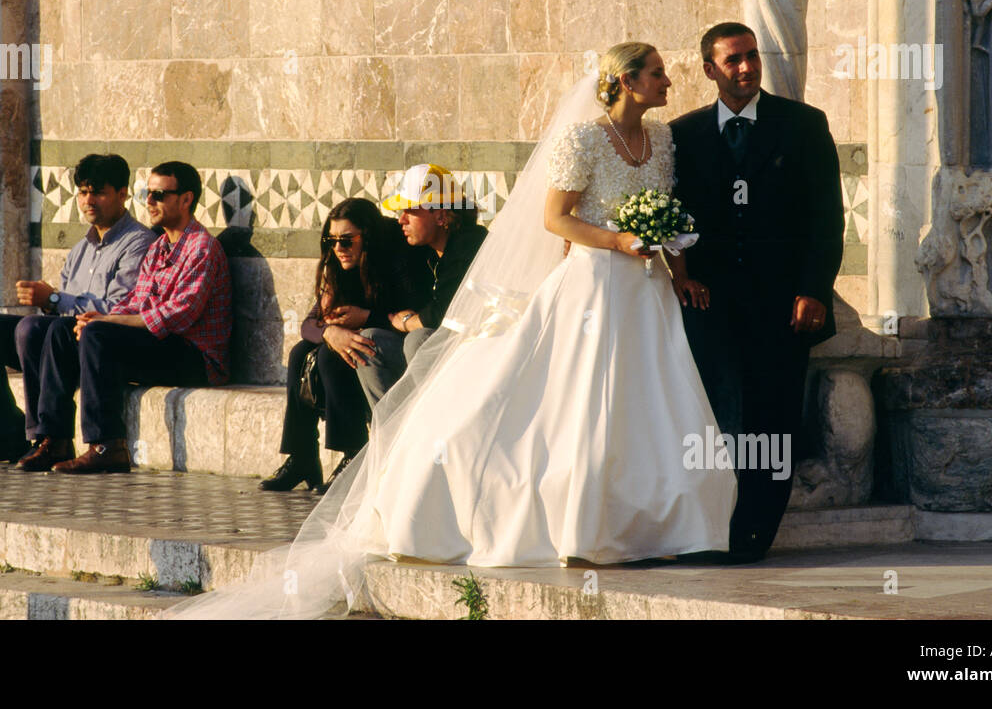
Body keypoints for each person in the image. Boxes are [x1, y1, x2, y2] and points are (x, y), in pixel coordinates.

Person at [166, 43, 737, 619]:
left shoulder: (661, 139)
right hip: (592, 283)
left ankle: (665, 519)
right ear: (626, 81)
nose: (669, 80)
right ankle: (579, 519)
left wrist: (679, 273)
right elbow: (555, 218)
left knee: (652, 399)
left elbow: (668, 215)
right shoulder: (582, 139)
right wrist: (617, 241)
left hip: (647, 291)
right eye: (657, 72)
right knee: (583, 399)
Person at [670, 22, 844, 562]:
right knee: (721, 418)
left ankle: (754, 534)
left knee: (773, 420)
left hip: (784, 307)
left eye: (751, 57)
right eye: (732, 61)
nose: (745, 68)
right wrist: (683, 278)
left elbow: (827, 219)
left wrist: (814, 289)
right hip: (711, 308)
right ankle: (715, 526)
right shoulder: (683, 134)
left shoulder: (803, 125)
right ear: (708, 70)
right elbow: (674, 221)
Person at [0, 154, 153, 466]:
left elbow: (117, 310)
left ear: (122, 194)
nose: (88, 201)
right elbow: (56, 313)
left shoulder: (137, 243)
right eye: (83, 192)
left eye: (98, 192)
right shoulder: (81, 249)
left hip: (90, 343)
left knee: (32, 327)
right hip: (54, 342)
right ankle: (4, 433)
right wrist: (47, 301)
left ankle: (49, 438)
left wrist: (56, 300)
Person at [42, 161, 232, 473]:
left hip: (194, 358)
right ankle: (55, 439)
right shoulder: (158, 247)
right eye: (147, 193)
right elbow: (136, 302)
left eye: (159, 194)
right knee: (64, 329)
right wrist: (98, 317)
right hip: (161, 346)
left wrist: (108, 323)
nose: (149, 201)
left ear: (186, 199)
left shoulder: (202, 248)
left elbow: (177, 317)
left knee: (98, 334)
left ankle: (107, 446)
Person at [260, 199, 423, 495]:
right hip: (357, 347)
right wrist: (331, 332)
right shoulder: (336, 267)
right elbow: (309, 324)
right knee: (300, 353)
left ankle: (354, 454)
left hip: (390, 350)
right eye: (332, 241)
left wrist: (365, 319)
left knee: (331, 357)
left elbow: (409, 315)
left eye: (347, 241)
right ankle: (302, 457)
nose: (339, 249)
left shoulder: (397, 259)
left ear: (368, 237)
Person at [353, 163, 487, 403]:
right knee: (369, 342)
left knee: (419, 338)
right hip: (438, 355)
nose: (401, 219)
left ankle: (427, 430)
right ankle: (392, 435)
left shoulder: (470, 243)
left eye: (410, 210)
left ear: (441, 215)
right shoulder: (422, 250)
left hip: (475, 355)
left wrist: (407, 322)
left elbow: (442, 315)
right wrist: (330, 330)